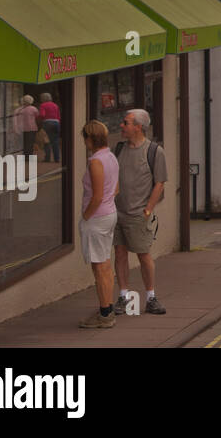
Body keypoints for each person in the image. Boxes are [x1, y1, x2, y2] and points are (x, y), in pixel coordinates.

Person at [112, 109, 168, 316]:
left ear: (138, 126)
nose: (121, 126)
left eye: (125, 123)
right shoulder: (118, 149)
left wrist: (148, 209)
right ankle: (123, 296)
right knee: (119, 253)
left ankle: (151, 297)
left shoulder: (154, 151)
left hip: (138, 214)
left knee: (143, 255)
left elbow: (160, 183)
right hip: (117, 212)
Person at [78, 120, 119, 329]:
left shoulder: (95, 161)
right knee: (105, 264)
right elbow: (116, 189)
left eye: (84, 137)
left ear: (90, 138)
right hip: (110, 214)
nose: (84, 141)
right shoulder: (111, 157)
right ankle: (108, 307)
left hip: (97, 218)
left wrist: (85, 216)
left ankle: (105, 315)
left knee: (99, 267)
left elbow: (96, 196)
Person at [38, 92, 61, 163]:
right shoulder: (55, 105)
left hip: (47, 123)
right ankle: (57, 159)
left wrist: (38, 119)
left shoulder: (43, 105)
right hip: (56, 123)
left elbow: (42, 115)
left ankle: (47, 158)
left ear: (43, 98)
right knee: (55, 141)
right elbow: (58, 116)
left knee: (46, 141)